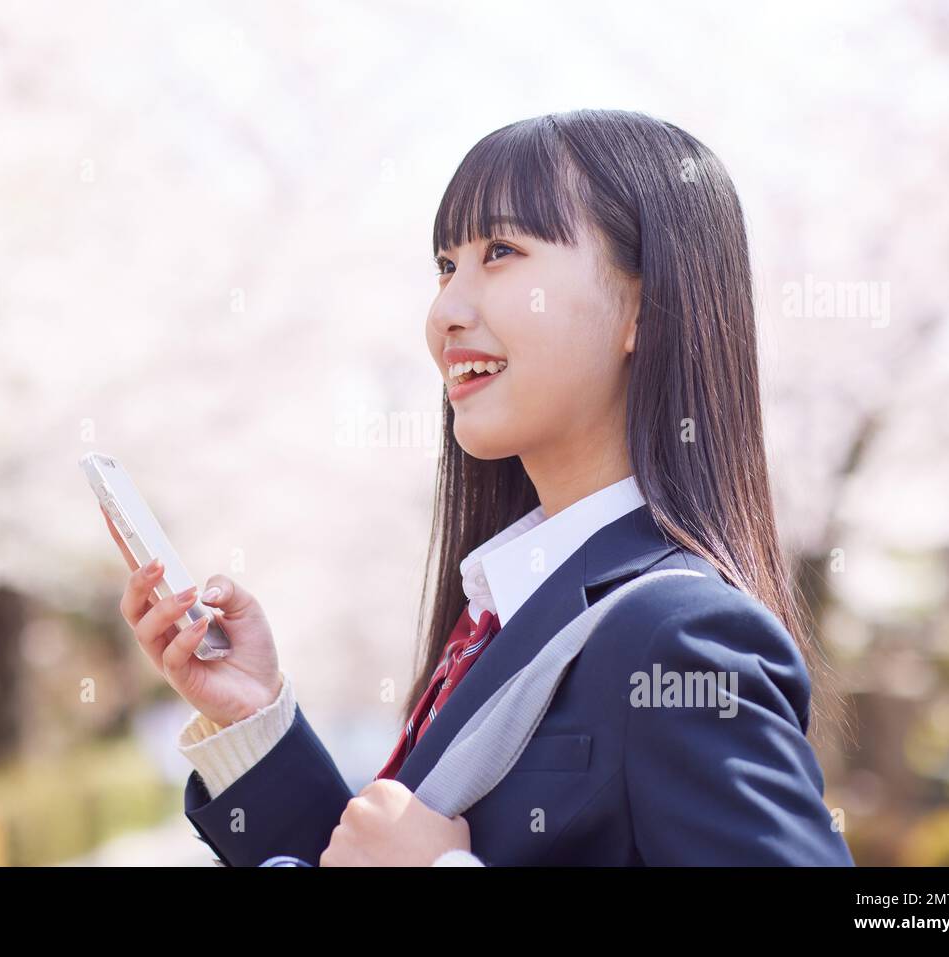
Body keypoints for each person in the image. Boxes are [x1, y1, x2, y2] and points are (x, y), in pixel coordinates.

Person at [109, 109, 856, 867]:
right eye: (445, 265)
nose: (445, 313)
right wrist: (256, 717)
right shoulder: (500, 613)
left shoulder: (681, 635)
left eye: (501, 251)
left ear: (641, 304)